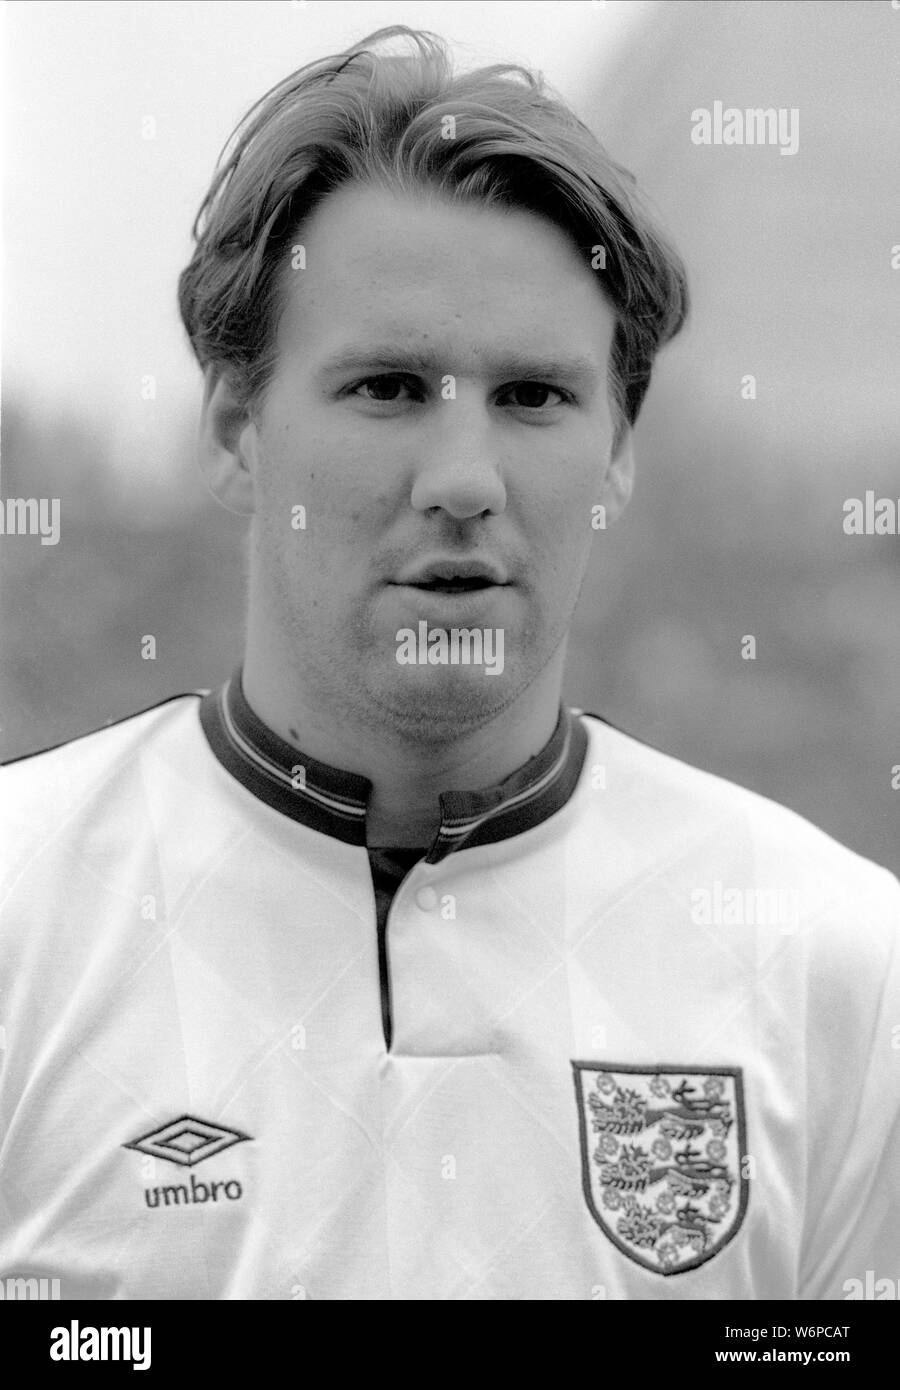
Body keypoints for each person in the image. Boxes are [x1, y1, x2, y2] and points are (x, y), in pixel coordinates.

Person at [1, 26, 897, 1301]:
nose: (466, 480)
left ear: (621, 451)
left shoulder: (840, 971)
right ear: (235, 430)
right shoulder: (23, 919)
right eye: (387, 386)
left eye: (534, 397)